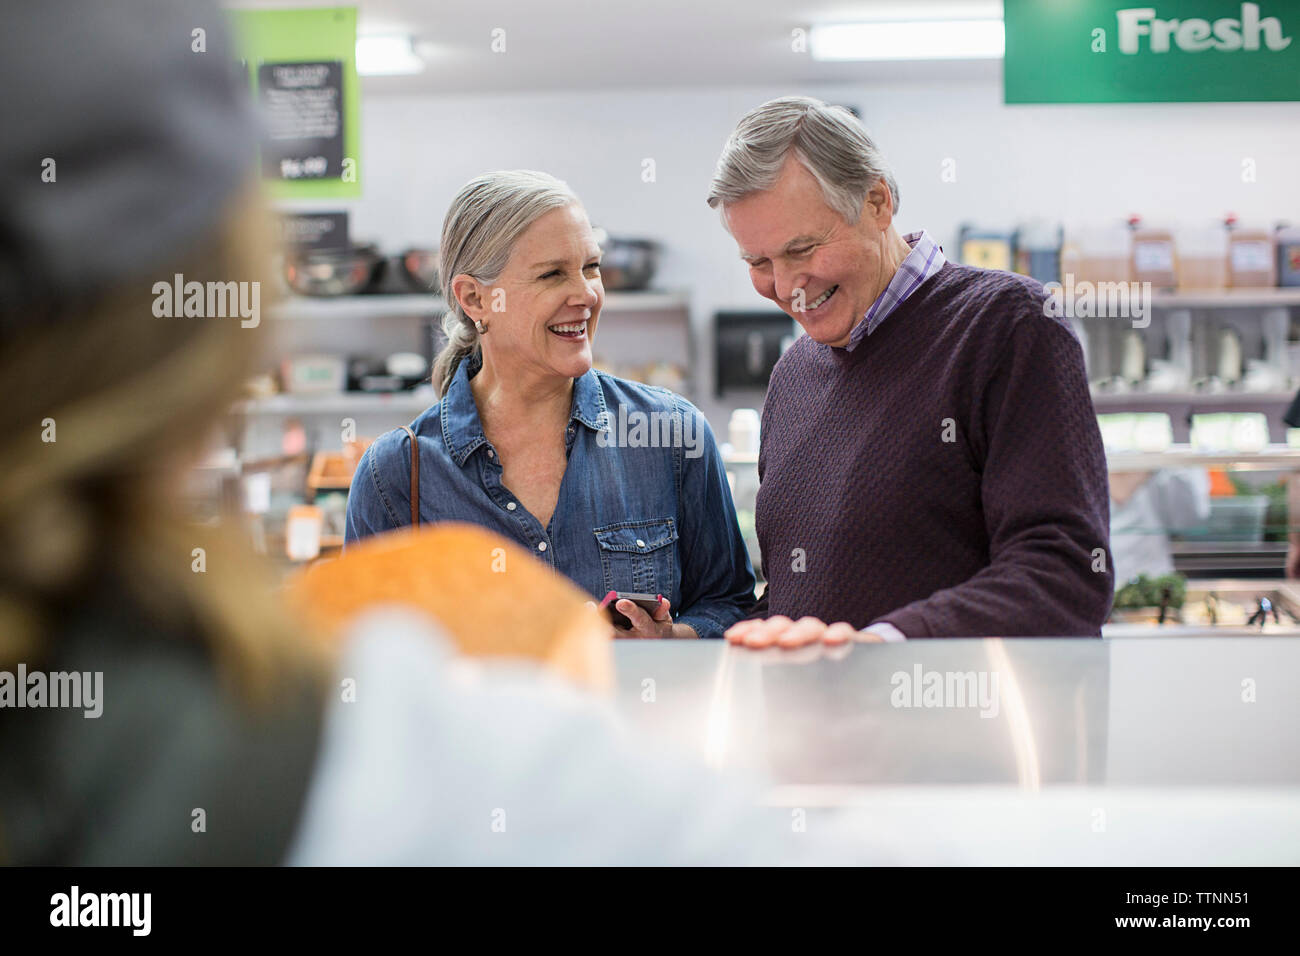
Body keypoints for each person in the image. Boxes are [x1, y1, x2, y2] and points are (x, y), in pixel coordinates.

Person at [707, 97, 1114, 649]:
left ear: (876, 201)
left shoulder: (1008, 324)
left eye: (802, 249)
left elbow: (1065, 574)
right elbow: (796, 599)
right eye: (758, 263)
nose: (784, 287)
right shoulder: (793, 376)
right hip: (820, 725)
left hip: (961, 725)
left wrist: (883, 650)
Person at [344, 171, 755, 639]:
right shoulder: (397, 474)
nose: (585, 295)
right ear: (476, 298)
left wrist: (672, 637)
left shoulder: (672, 434)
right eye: (552, 274)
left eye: (591, 267)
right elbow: (363, 654)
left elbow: (731, 605)